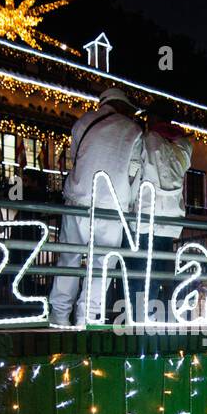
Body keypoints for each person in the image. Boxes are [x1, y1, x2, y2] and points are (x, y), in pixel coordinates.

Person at [48, 87, 144, 326]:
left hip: (78, 200)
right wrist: (130, 208)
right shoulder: (133, 131)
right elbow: (135, 174)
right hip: (112, 208)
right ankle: (88, 319)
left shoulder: (83, 123)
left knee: (68, 260)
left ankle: (59, 316)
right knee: (102, 267)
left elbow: (76, 156)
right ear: (123, 106)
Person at [132, 103, 192, 322]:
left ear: (154, 119)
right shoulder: (184, 145)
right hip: (171, 221)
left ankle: (137, 318)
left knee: (139, 271)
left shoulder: (147, 140)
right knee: (157, 272)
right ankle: (149, 316)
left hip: (146, 216)